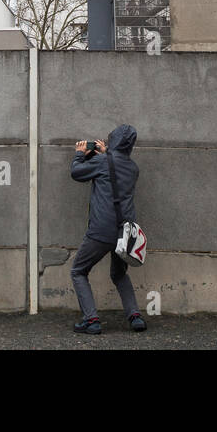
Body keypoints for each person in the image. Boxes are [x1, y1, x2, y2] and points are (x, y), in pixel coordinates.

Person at [69, 124, 147, 335]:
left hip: (101, 231)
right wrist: (107, 154)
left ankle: (91, 319)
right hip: (125, 232)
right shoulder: (133, 168)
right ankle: (135, 317)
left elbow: (76, 173)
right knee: (119, 274)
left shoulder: (101, 161)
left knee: (78, 271)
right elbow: (116, 172)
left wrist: (79, 154)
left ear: (112, 140)